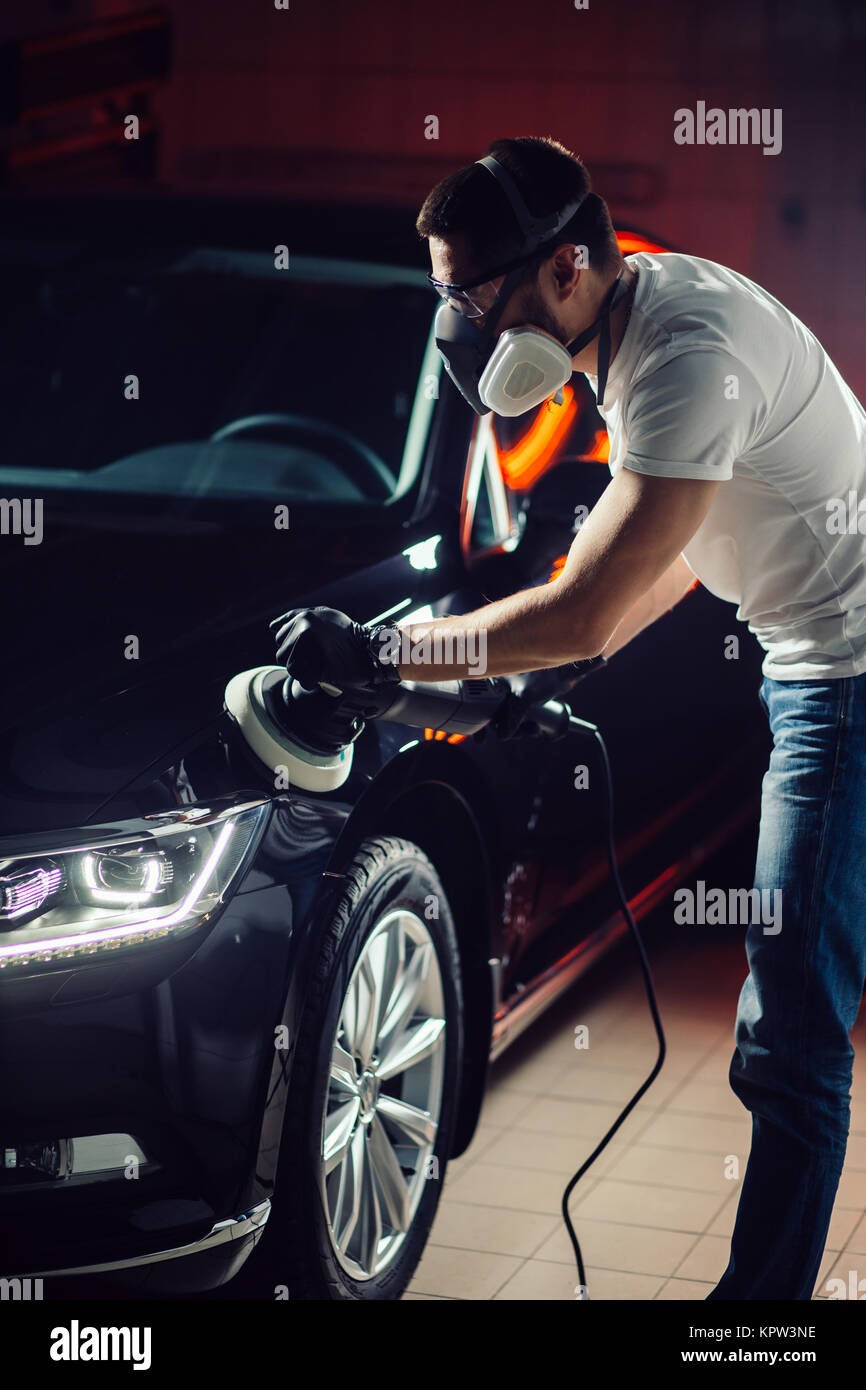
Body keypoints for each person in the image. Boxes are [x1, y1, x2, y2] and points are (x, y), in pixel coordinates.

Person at [272, 135, 866, 1301]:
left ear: (565, 268)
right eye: (442, 292)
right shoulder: (634, 326)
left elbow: (587, 603)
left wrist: (393, 650)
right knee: (791, 1021)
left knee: (788, 1037)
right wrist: (516, 673)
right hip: (817, 658)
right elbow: (680, 558)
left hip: (843, 676)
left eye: (469, 294)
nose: (457, 325)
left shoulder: (684, 353)